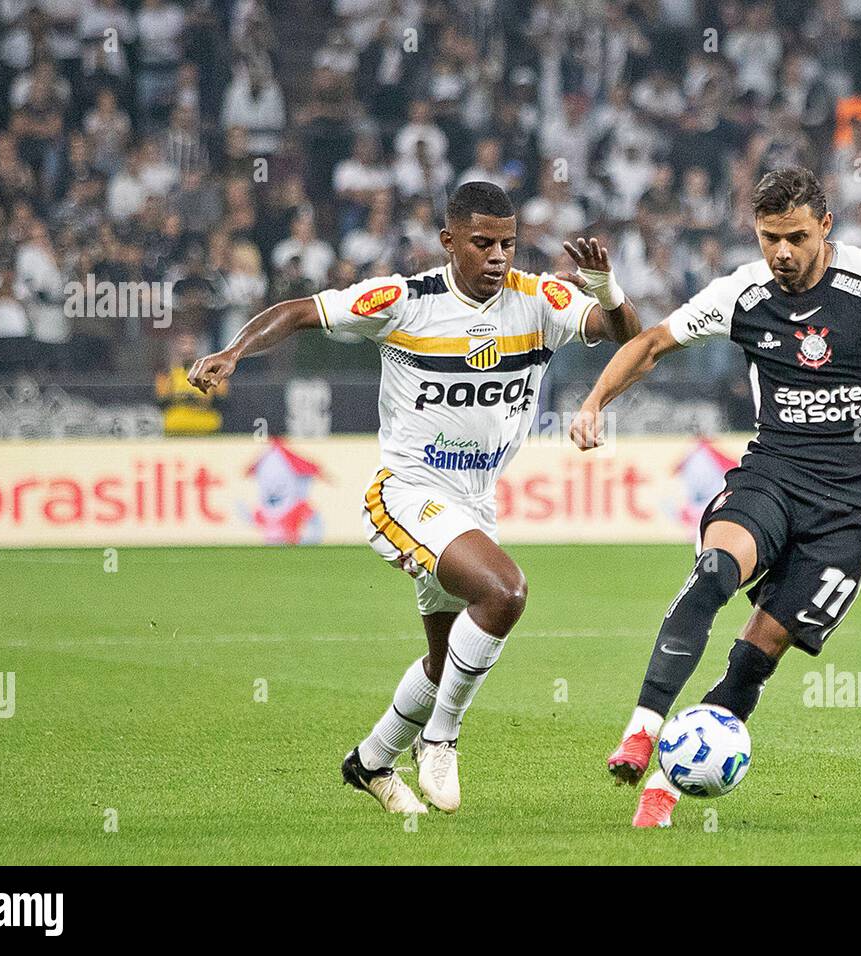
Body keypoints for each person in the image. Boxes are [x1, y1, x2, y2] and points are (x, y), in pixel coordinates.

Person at [570, 166, 861, 828]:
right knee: (714, 571)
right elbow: (653, 342)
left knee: (754, 655)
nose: (782, 253)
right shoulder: (742, 293)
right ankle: (642, 726)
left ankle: (670, 781)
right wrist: (595, 401)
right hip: (773, 474)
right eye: (769, 237)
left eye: (796, 237)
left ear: (825, 227)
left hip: (852, 506)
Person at [188, 182, 639, 814]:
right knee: (504, 591)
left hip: (474, 504)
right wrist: (235, 350)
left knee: (442, 660)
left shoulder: (539, 300)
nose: (498, 256)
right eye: (482, 243)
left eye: (508, 243)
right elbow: (300, 311)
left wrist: (605, 287)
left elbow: (625, 335)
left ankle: (370, 762)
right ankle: (441, 738)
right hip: (407, 494)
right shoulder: (406, 301)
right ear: (450, 241)